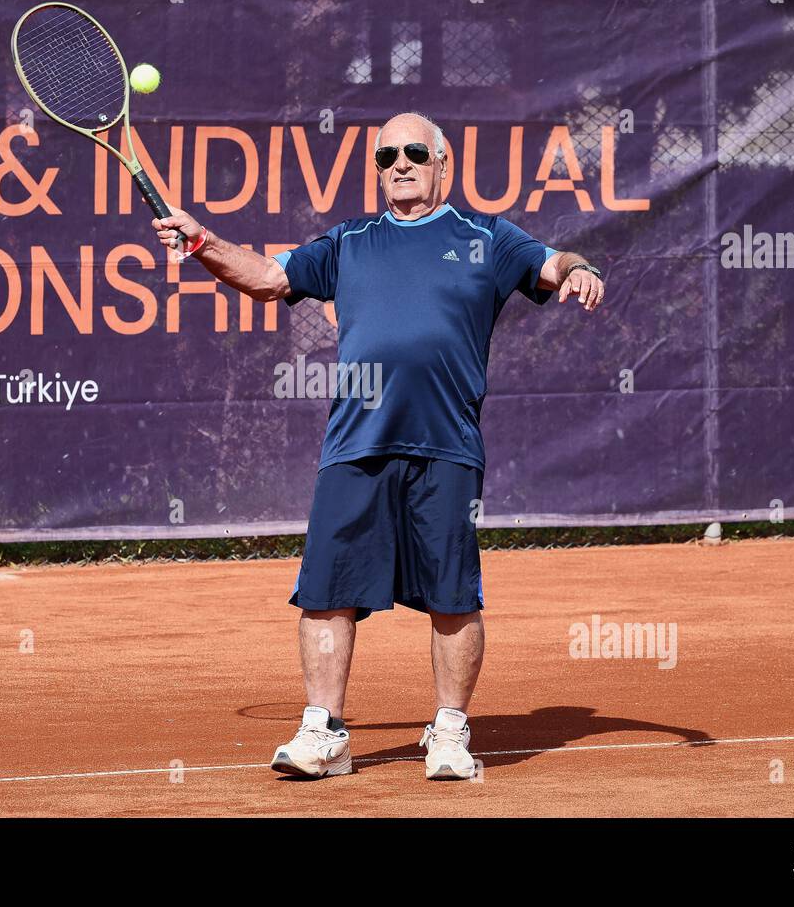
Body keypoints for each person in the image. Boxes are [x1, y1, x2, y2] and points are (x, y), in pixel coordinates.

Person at [153, 112, 605, 781]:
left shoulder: (486, 237)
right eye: (386, 154)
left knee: (453, 595)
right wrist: (204, 243)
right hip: (354, 444)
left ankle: (450, 733)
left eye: (414, 152)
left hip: (447, 445)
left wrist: (580, 268)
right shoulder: (350, 242)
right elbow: (269, 278)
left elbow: (551, 261)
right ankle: (324, 733)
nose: (399, 163)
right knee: (326, 590)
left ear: (442, 164)